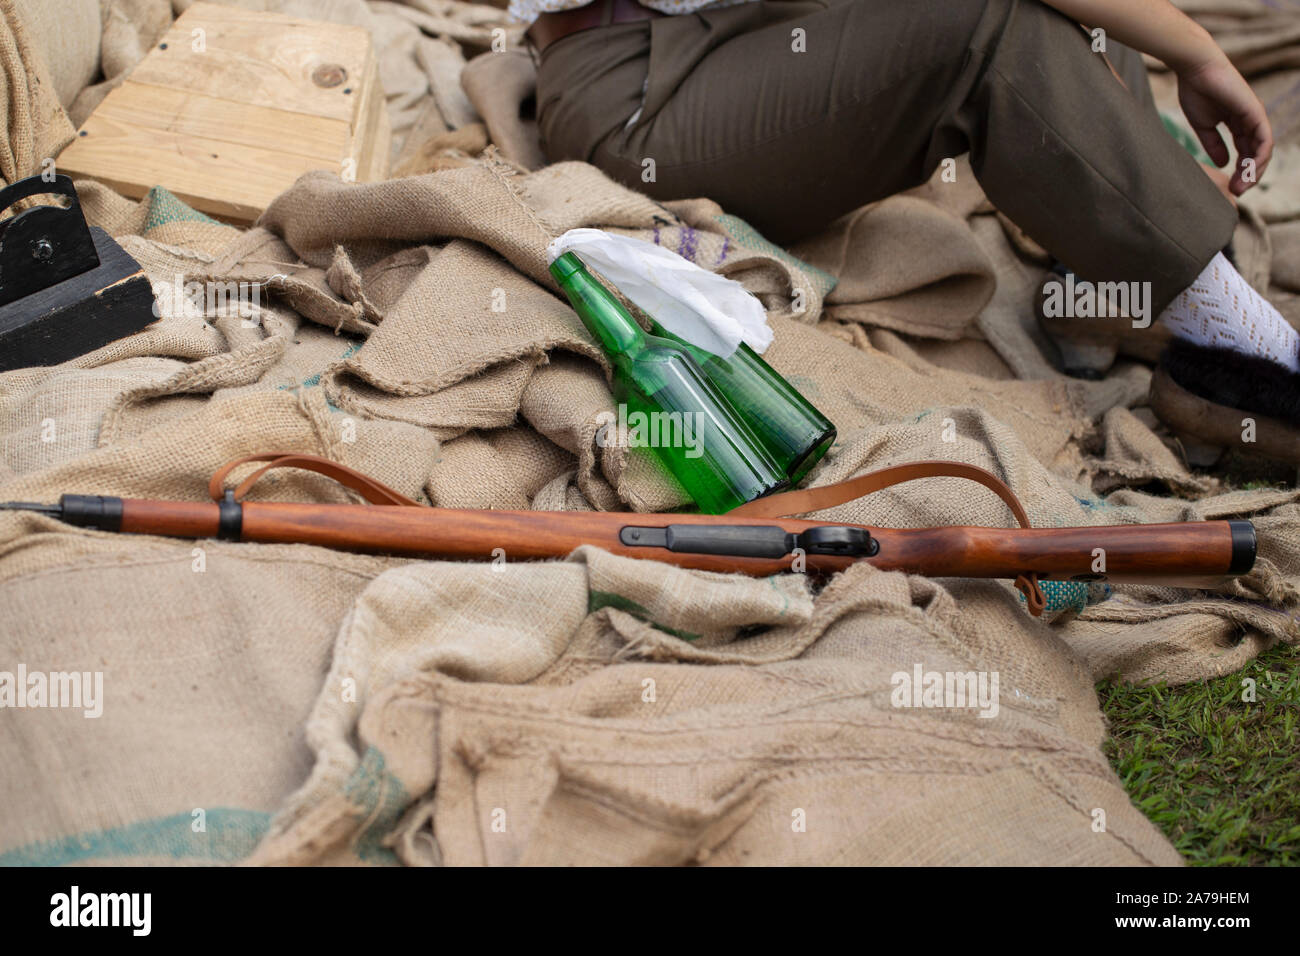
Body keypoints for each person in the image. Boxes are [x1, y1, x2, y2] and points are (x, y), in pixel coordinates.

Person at [520, 0, 1300, 451]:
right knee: (989, 27)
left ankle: (1103, 283)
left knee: (1050, 15)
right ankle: (1250, 358)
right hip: (643, 87)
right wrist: (1196, 53)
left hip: (746, 32)